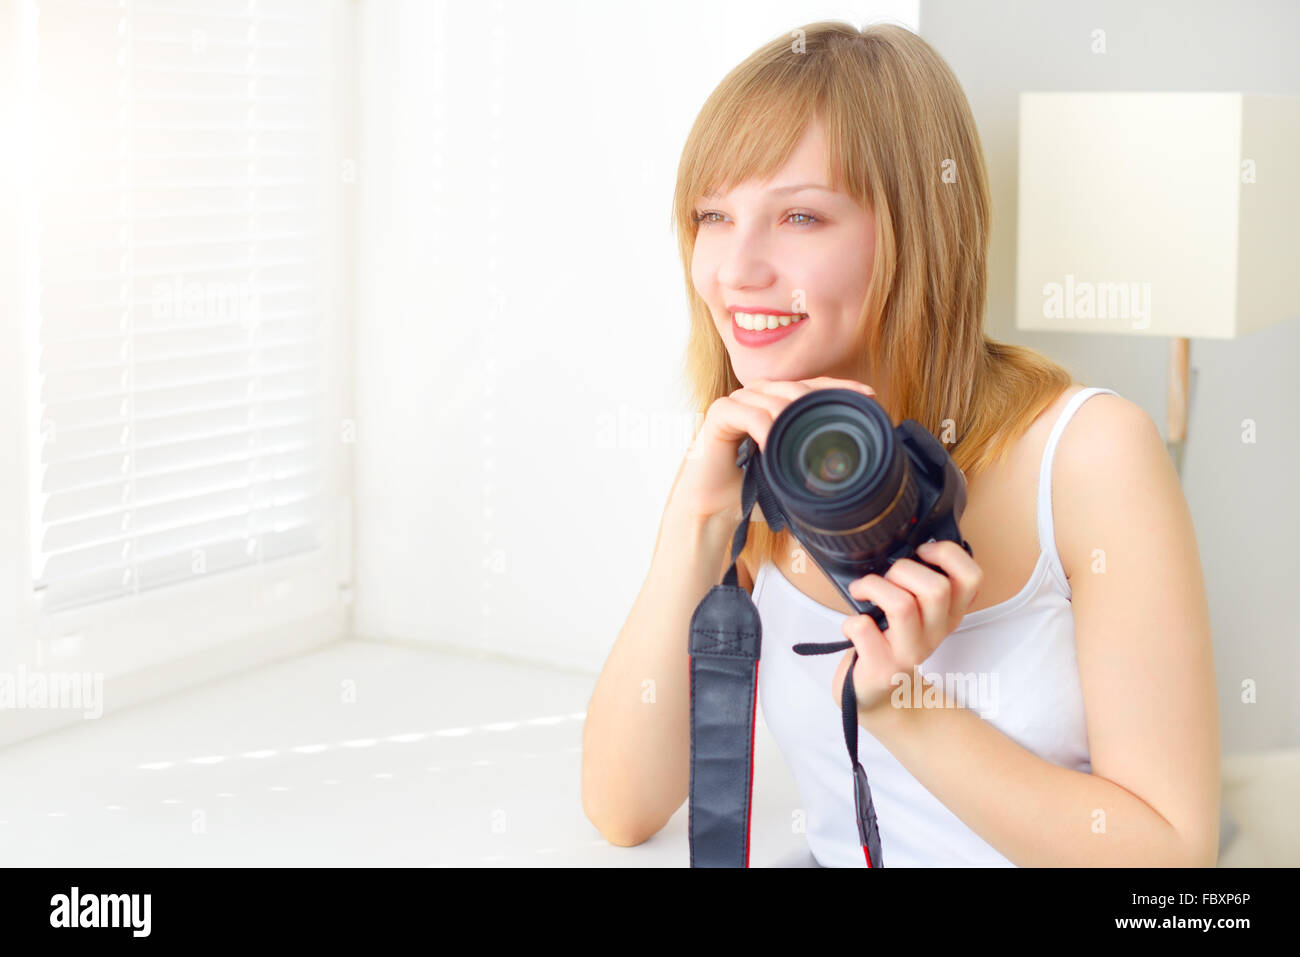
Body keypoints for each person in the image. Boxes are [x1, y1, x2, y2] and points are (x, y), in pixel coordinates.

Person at [581, 21, 1219, 866]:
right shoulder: (752, 459)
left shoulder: (1089, 453)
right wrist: (690, 529)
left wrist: (903, 708)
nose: (736, 269)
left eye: (800, 215)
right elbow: (624, 808)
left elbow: (1173, 861)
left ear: (918, 229)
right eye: (712, 215)